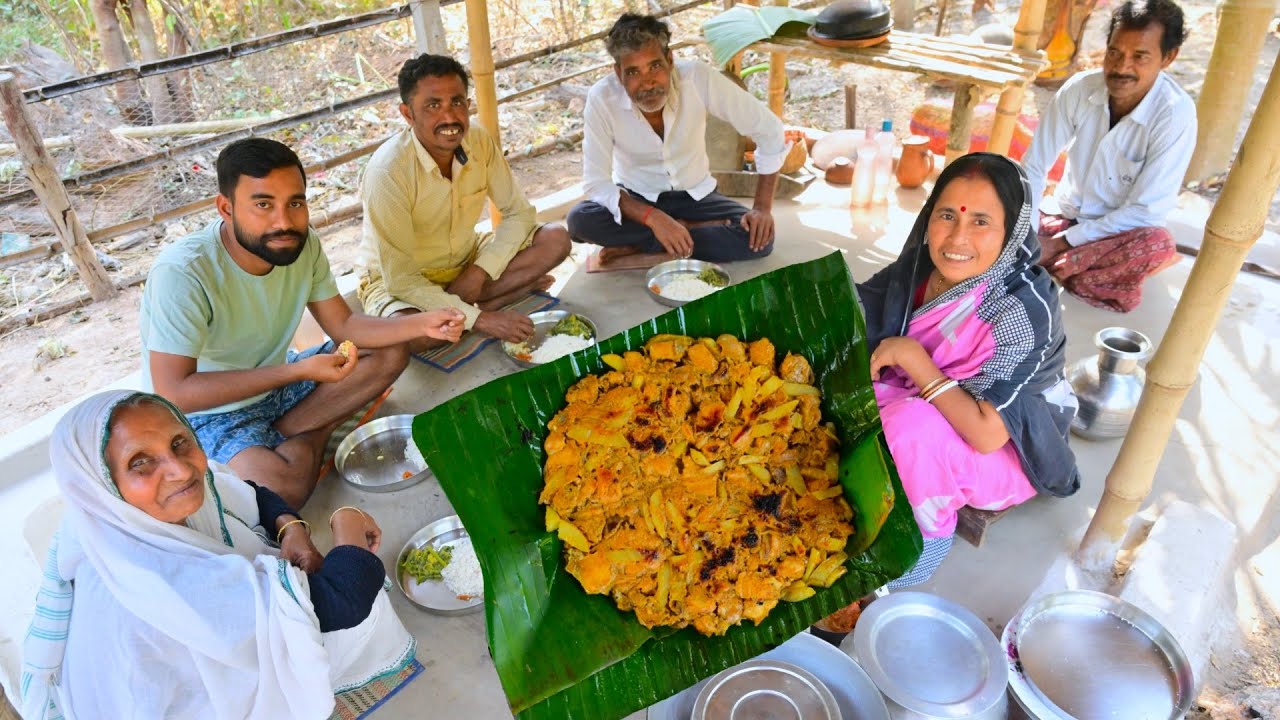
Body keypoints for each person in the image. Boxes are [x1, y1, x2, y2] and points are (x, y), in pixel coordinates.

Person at [20, 391, 416, 720]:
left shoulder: (124, 517)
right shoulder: (155, 586)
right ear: (101, 485)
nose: (179, 469)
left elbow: (248, 493)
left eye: (179, 443)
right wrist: (347, 522)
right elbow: (339, 605)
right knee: (325, 623)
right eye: (140, 463)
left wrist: (290, 527)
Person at [139, 138, 464, 508]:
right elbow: (174, 392)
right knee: (283, 490)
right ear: (225, 208)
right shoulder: (184, 272)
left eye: (296, 203)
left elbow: (344, 325)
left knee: (392, 353)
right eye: (263, 204)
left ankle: (290, 433)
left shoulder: (303, 244)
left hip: (277, 384)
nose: (284, 221)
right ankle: (317, 427)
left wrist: (423, 323)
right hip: (209, 414)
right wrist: (296, 373)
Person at [858, 152, 1081, 586]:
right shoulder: (921, 269)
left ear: (1012, 229)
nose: (957, 238)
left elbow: (986, 434)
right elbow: (860, 314)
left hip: (999, 448)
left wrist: (914, 360)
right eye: (947, 215)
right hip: (918, 397)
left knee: (907, 427)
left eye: (980, 221)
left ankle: (925, 545)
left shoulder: (1022, 307)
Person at [358, 54, 571, 348]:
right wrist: (482, 320)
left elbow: (519, 214)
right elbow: (401, 279)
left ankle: (468, 305)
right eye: (433, 106)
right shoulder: (388, 171)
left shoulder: (479, 140)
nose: (450, 118)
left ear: (467, 105)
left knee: (556, 239)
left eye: (457, 102)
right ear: (408, 114)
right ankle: (493, 301)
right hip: (401, 280)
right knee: (408, 337)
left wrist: (478, 272)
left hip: (465, 261)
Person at [566, 13, 786, 264]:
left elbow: (769, 129)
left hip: (696, 196)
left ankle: (643, 243)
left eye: (655, 66)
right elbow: (597, 183)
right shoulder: (602, 99)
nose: (647, 82)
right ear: (618, 74)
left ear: (670, 60)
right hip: (638, 201)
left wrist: (762, 209)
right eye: (633, 72)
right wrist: (654, 218)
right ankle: (684, 233)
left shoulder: (697, 78)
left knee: (760, 239)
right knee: (580, 221)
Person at [1021, 0, 1195, 312]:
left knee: (1155, 245)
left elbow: (1144, 212)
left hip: (1118, 234)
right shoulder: (1079, 89)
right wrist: (1030, 235)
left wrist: (1059, 244)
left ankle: (1053, 262)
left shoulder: (1174, 115)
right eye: (1114, 52)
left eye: (1140, 56)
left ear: (1168, 58)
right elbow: (1034, 166)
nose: (1120, 67)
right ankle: (1068, 268)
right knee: (1003, 211)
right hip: (1061, 218)